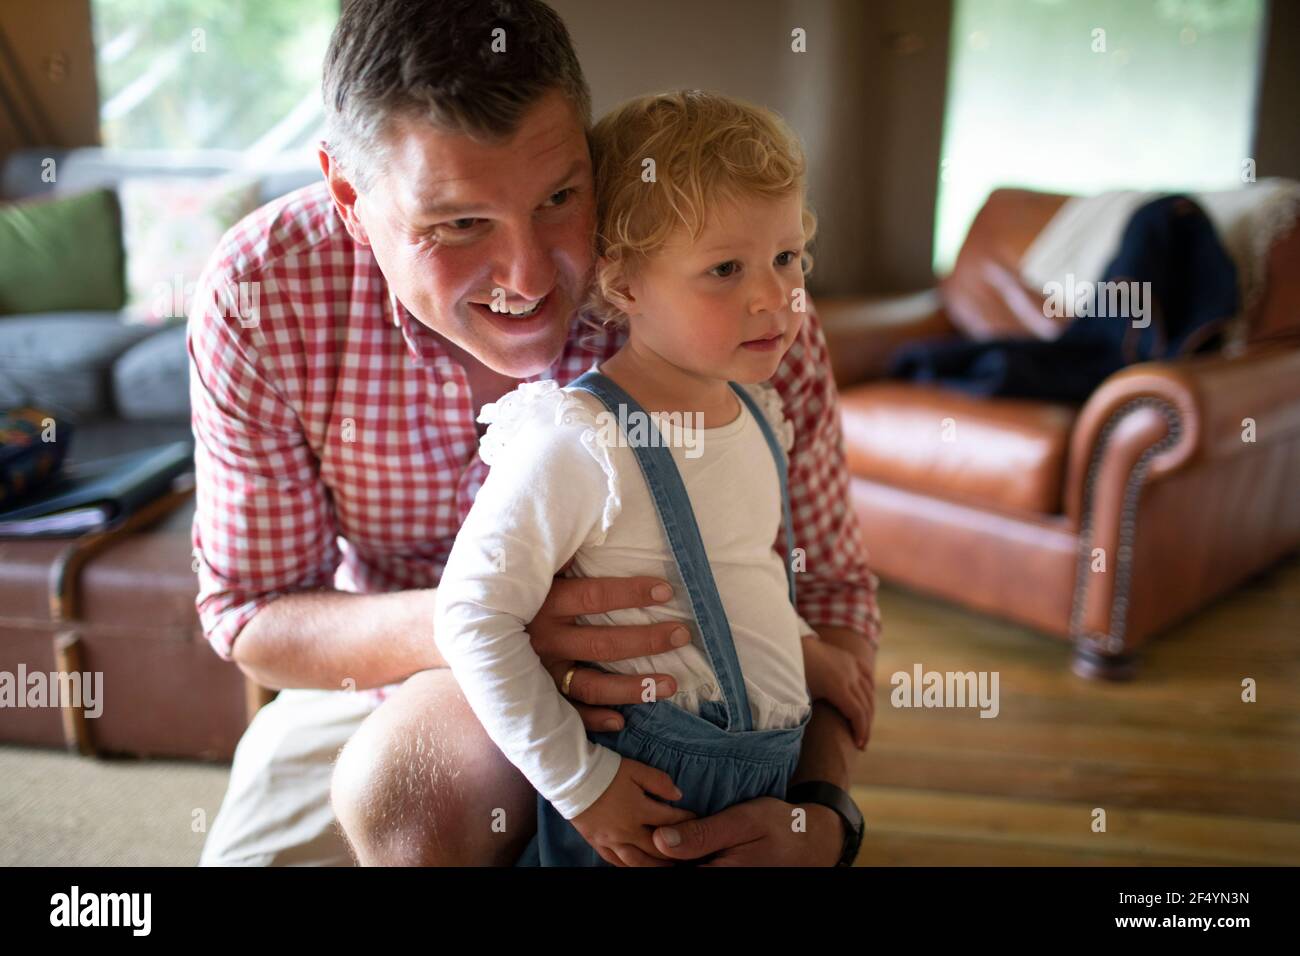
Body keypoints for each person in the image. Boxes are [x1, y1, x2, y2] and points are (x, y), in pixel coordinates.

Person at [191, 0, 880, 867]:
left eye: (559, 197)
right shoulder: (263, 294)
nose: (527, 277)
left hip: (707, 707)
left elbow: (830, 596)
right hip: (390, 677)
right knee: (410, 787)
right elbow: (252, 613)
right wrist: (497, 629)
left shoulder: (735, 307)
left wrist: (822, 819)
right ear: (349, 199)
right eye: (458, 224)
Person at [435, 90, 874, 867]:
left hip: (768, 771)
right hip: (645, 788)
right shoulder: (579, 440)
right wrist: (582, 783)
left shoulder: (757, 415)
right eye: (725, 269)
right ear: (626, 283)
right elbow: (472, 616)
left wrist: (809, 652)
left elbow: (740, 573)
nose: (774, 294)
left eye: (786, 257)